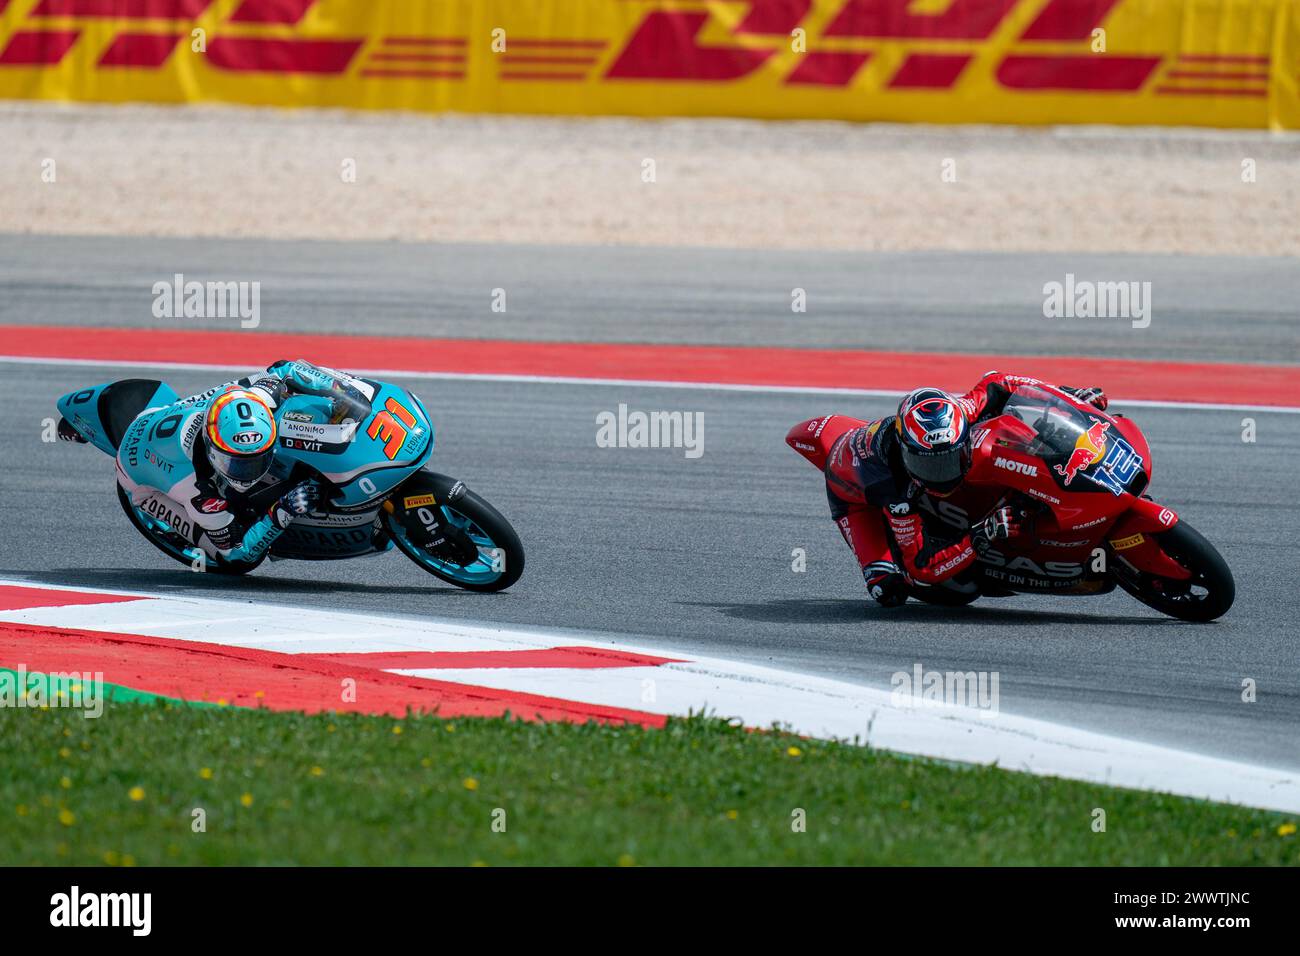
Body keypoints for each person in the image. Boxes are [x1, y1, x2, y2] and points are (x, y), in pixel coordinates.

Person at [821, 371, 1108, 607]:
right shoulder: (894, 491)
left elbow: (1001, 380)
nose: (942, 475)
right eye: (929, 466)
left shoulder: (963, 411)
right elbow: (924, 565)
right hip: (853, 497)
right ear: (906, 452)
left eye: (950, 460)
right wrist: (981, 534)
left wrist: (1069, 398)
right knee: (899, 590)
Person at [107, 360, 372, 565]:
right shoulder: (199, 492)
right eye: (236, 464)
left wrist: (339, 391)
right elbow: (236, 552)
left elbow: (287, 369)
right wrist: (284, 510)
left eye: (258, 459)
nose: (250, 473)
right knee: (234, 564)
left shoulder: (257, 396)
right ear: (213, 452)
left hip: (180, 419)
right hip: (141, 480)